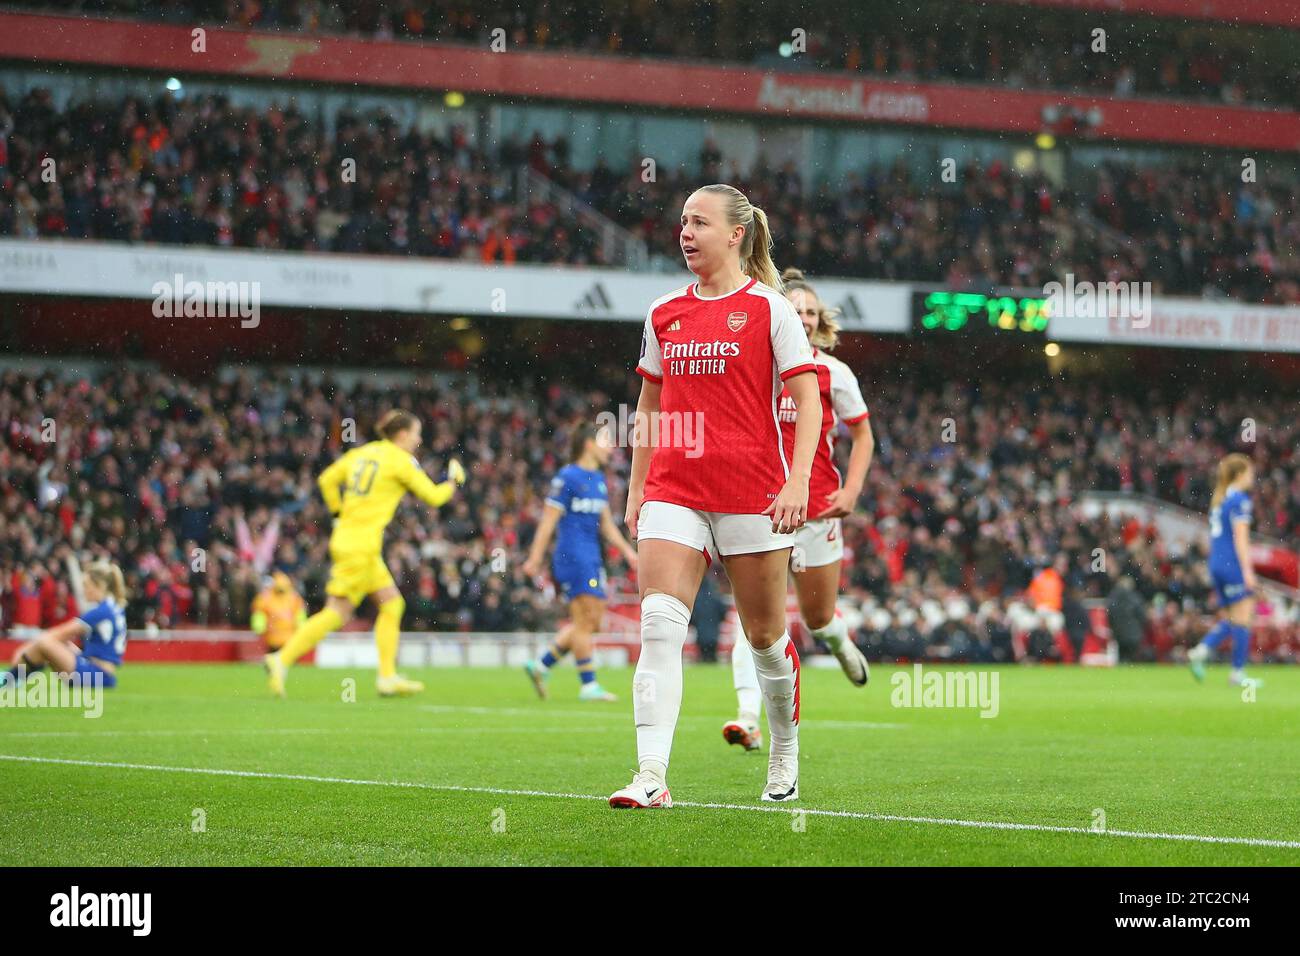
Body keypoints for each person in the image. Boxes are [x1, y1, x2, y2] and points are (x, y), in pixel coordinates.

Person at [607, 183, 821, 809]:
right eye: (683, 221)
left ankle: (784, 752)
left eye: (699, 222)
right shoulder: (664, 312)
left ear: (736, 234)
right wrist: (638, 484)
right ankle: (651, 775)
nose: (686, 232)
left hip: (753, 493)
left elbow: (808, 401)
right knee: (657, 627)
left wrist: (798, 480)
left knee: (764, 639)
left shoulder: (770, 310)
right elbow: (650, 403)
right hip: (675, 489)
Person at [724, 267, 874, 752]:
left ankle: (839, 642)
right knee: (753, 622)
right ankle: (747, 717)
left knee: (818, 619)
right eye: (796, 310)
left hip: (817, 514)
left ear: (819, 321)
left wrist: (851, 490)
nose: (804, 318)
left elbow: (863, 435)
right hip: (760, 509)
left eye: (811, 312)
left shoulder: (835, 373)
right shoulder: (757, 367)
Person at [264, 410, 466, 698]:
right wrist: (453, 481)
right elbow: (433, 497)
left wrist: (338, 513)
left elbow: (327, 479)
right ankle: (281, 659)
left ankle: (387, 676)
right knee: (337, 612)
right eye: (416, 433)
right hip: (362, 546)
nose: (419, 440)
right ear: (403, 434)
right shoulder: (401, 461)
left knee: (392, 604)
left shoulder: (363, 453)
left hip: (351, 540)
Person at [522, 423, 636, 702]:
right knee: (585, 621)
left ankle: (542, 665)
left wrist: (628, 553)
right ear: (588, 444)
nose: (611, 446)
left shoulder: (598, 479)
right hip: (572, 555)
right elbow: (548, 521)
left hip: (591, 556)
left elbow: (606, 525)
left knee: (592, 621)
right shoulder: (568, 477)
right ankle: (588, 685)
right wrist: (535, 557)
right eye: (605, 440)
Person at [1188, 453, 1259, 686]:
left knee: (1233, 617)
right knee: (1243, 616)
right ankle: (1237, 673)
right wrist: (1247, 571)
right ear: (1239, 474)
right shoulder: (1239, 500)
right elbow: (1241, 538)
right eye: (1250, 472)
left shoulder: (1220, 501)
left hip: (1217, 563)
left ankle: (1201, 651)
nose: (1252, 477)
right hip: (1232, 564)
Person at [1, 561, 128, 690]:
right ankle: (15, 677)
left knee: (45, 643)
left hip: (97, 675)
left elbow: (60, 633)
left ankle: (12, 677)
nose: (84, 590)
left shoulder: (101, 611)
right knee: (57, 643)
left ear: (99, 586)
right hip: (99, 670)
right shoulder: (114, 608)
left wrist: (24, 650)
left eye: (86, 585)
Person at [251, 571, 307, 654]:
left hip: (274, 638)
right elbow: (300, 616)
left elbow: (259, 614)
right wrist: (301, 629)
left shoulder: (265, 597)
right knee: (286, 658)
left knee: (273, 658)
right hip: (287, 639)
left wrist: (259, 628)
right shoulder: (294, 597)